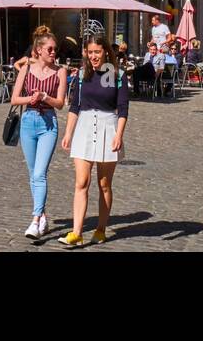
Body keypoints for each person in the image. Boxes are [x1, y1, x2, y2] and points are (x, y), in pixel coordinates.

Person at [58, 34, 129, 248]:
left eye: (97, 52)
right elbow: (74, 106)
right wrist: (68, 132)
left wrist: (119, 134)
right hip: (85, 128)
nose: (94, 56)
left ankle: (100, 229)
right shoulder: (81, 75)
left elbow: (123, 108)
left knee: (104, 184)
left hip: (108, 126)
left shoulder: (118, 75)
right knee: (81, 182)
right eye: (90, 52)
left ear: (106, 51)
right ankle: (77, 232)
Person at [12, 26, 67, 239]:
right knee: (32, 174)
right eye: (50, 49)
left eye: (55, 49)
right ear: (39, 50)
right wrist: (31, 99)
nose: (54, 53)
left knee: (39, 174)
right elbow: (15, 98)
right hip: (28, 122)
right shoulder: (26, 68)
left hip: (48, 124)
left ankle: (35, 221)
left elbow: (61, 103)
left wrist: (44, 96)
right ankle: (42, 215)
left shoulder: (60, 71)